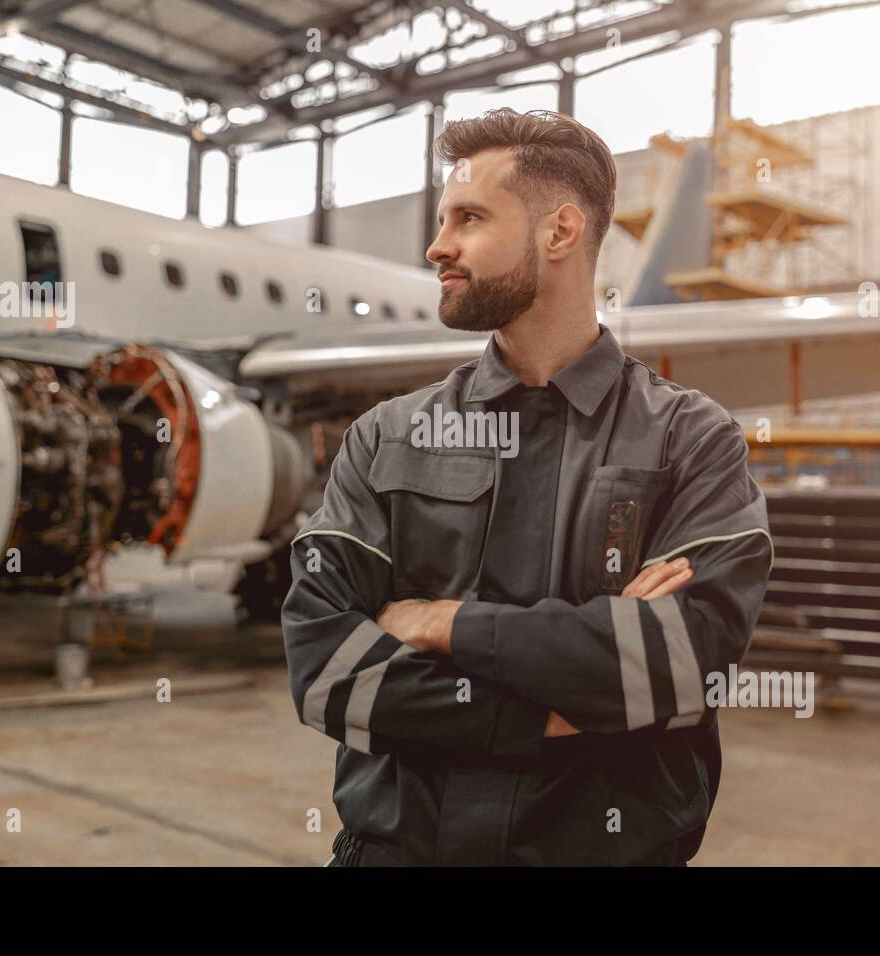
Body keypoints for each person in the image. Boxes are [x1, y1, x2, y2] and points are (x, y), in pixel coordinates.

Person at [281, 108, 772, 866]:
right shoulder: (386, 435)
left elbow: (682, 664)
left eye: (469, 218)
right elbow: (324, 669)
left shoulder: (690, 440)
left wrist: (443, 624)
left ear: (560, 232)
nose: (436, 246)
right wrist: (558, 707)